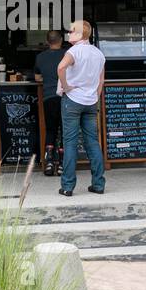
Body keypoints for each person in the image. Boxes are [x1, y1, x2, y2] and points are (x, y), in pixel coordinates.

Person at [56, 19, 105, 196]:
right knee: (92, 141)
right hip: (90, 102)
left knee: (70, 142)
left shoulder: (73, 51)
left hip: (72, 100)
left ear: (79, 34)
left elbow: (60, 67)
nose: (68, 34)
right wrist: (95, 96)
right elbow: (101, 81)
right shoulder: (99, 53)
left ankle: (68, 186)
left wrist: (66, 86)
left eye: (71, 31)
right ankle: (98, 184)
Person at [33, 30, 68, 176]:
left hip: (48, 97)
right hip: (65, 97)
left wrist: (47, 79)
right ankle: (61, 165)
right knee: (65, 131)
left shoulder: (40, 57)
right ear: (61, 40)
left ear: (47, 41)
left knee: (51, 130)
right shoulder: (68, 55)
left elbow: (37, 78)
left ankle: (48, 164)